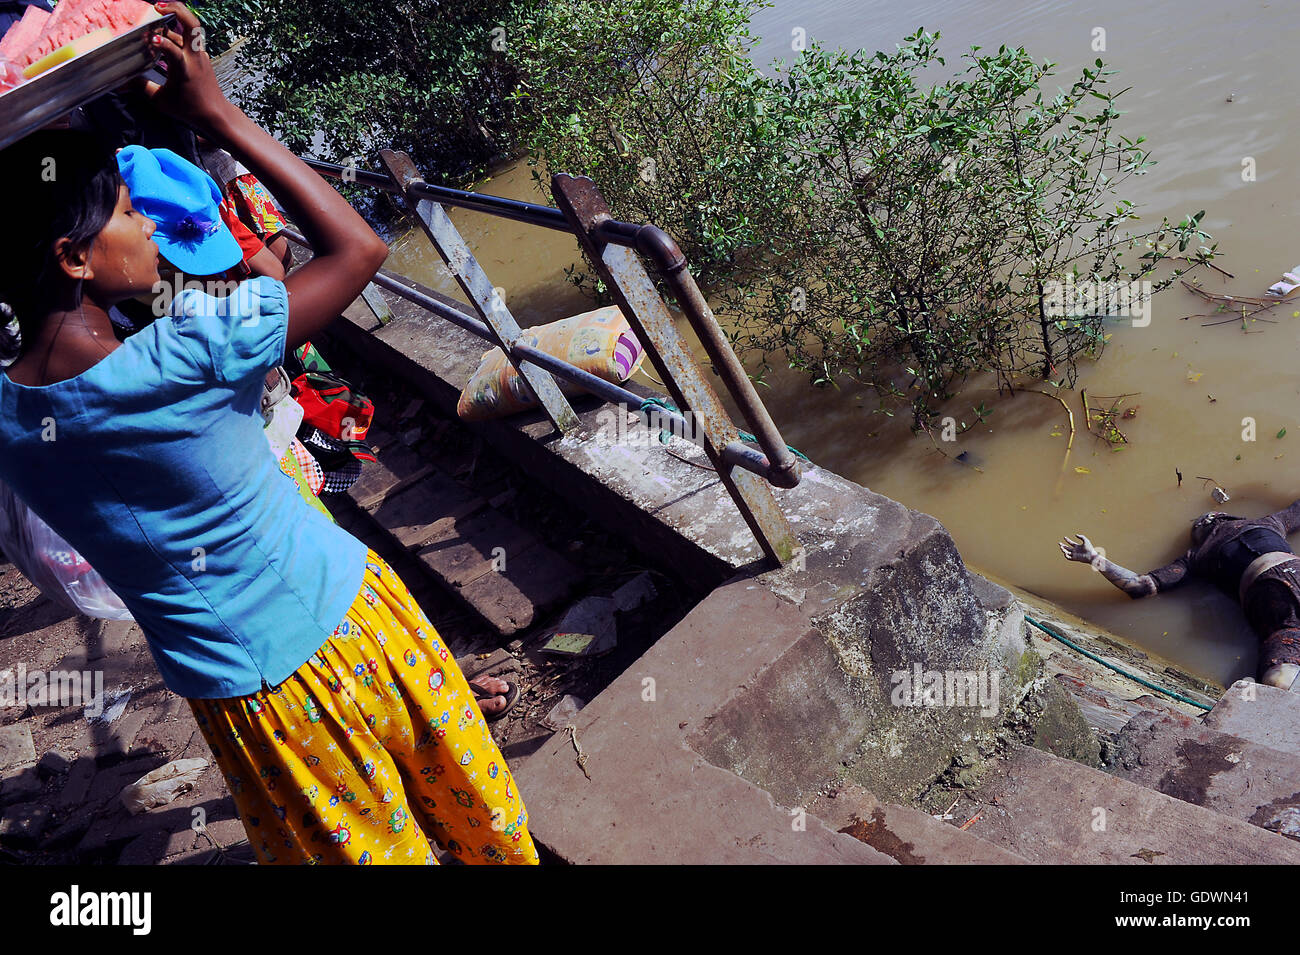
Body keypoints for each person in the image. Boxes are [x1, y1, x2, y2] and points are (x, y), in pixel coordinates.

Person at [0, 2, 536, 864]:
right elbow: (358, 247)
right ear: (73, 256)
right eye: (132, 216)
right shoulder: (194, 350)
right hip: (359, 623)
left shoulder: (10, 416)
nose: (149, 230)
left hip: (248, 703)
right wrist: (218, 115)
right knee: (486, 826)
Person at [1059, 501, 1300, 692]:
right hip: (1279, 602)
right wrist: (1095, 559)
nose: (1207, 520)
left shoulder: (1199, 555)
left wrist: (1096, 560)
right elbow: (1142, 586)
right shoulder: (1202, 554)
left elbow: (1140, 586)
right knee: (1279, 681)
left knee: (1279, 682)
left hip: (1273, 602)